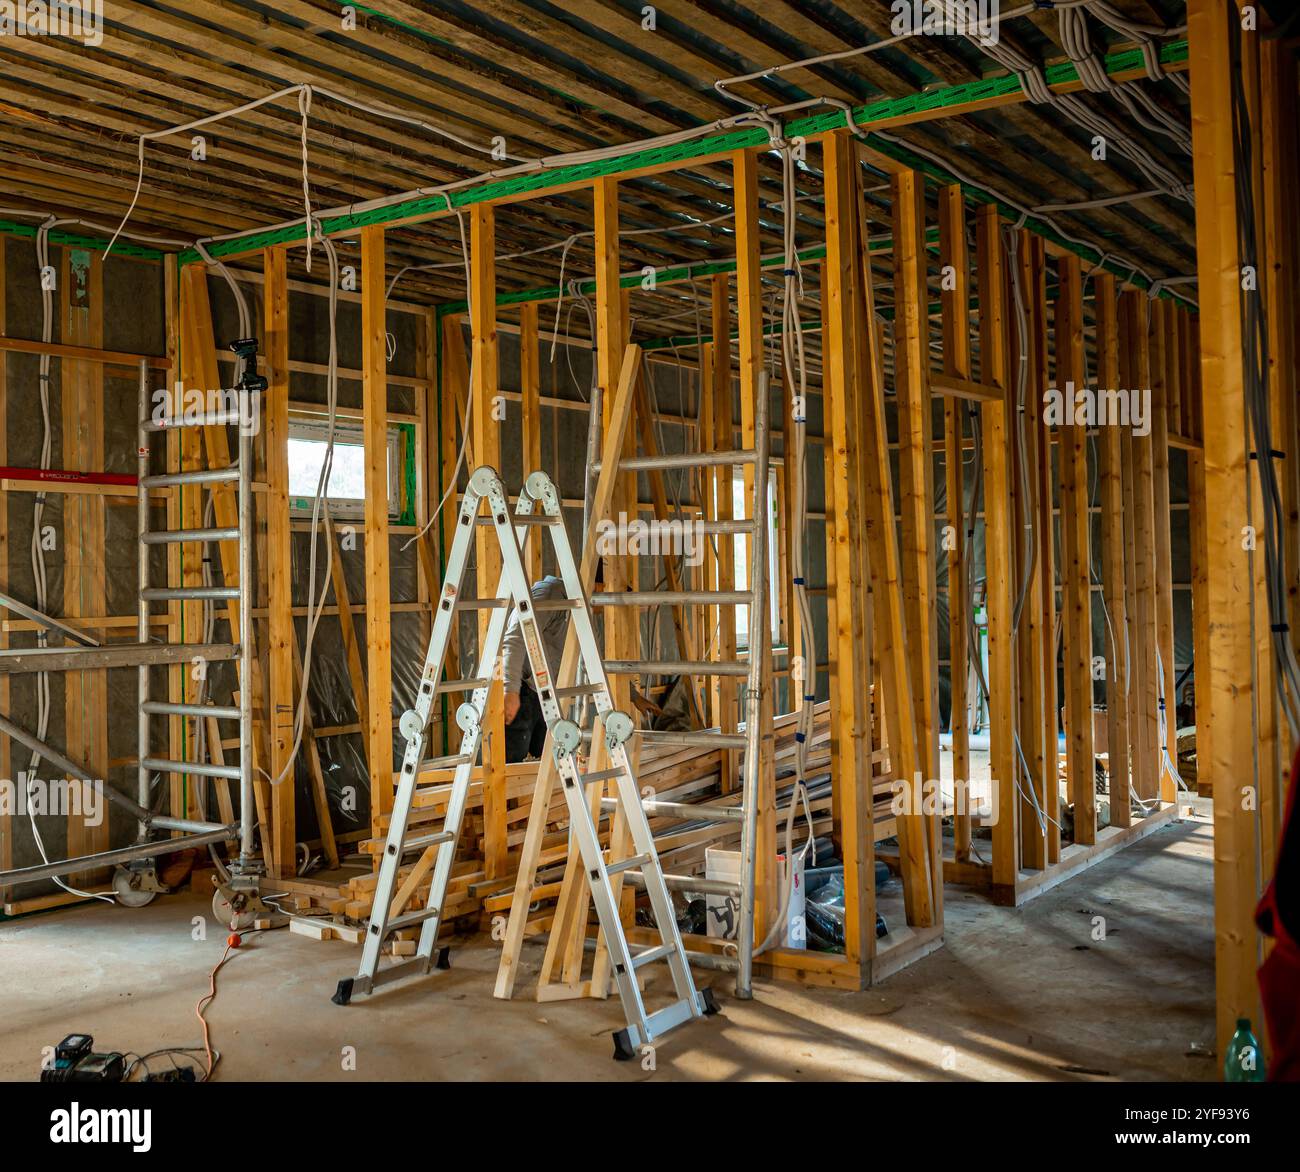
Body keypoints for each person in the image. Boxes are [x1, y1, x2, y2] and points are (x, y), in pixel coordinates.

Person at [500, 561, 604, 762]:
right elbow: (515, 639)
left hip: (545, 694)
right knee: (510, 764)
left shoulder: (584, 612)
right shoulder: (550, 595)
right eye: (605, 593)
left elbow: (594, 661)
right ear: (597, 585)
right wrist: (510, 690)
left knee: (547, 763)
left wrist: (633, 696)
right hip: (521, 689)